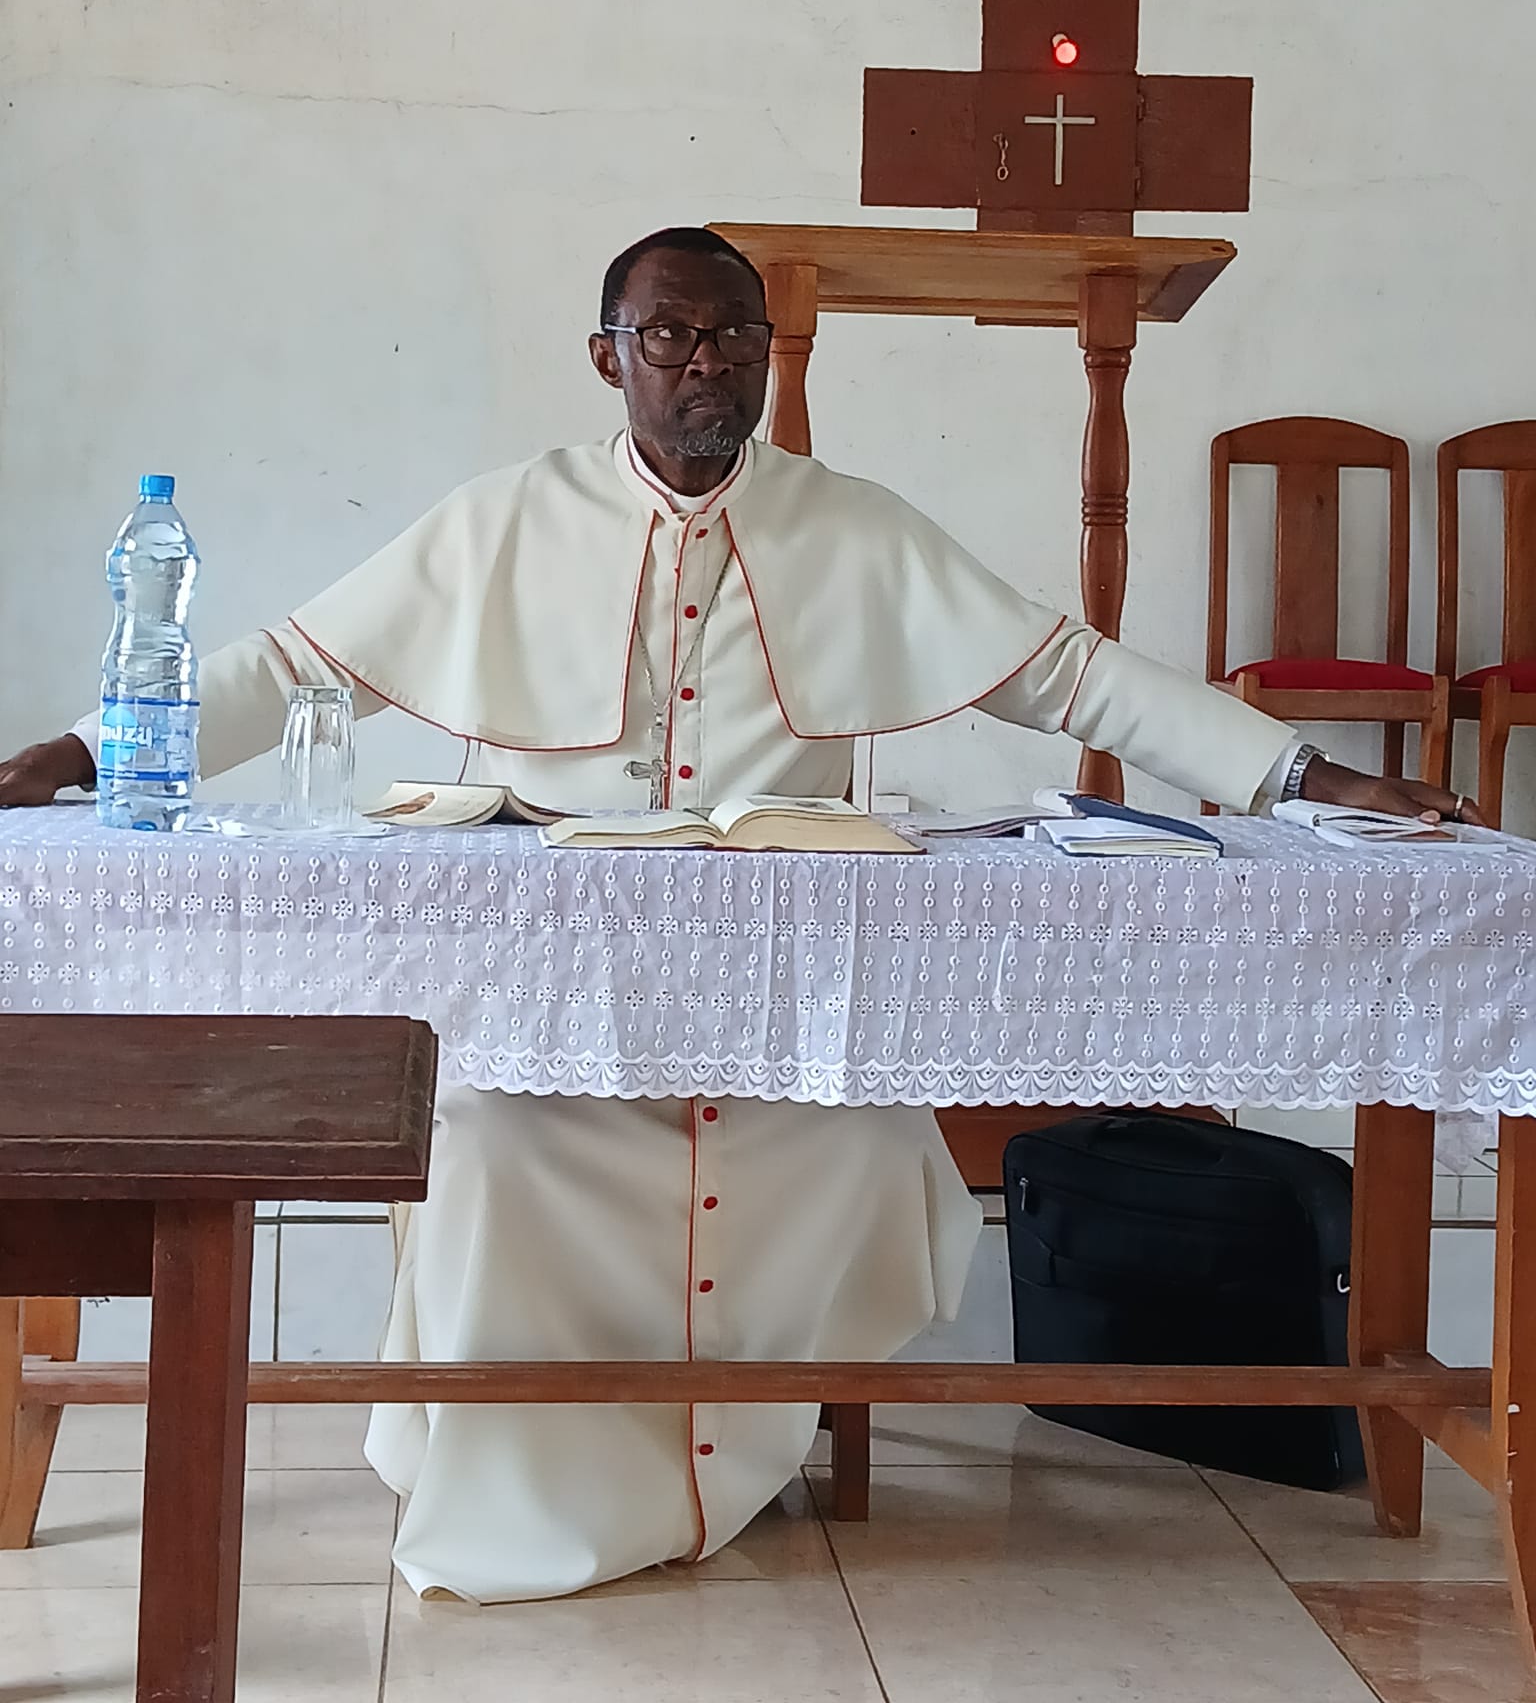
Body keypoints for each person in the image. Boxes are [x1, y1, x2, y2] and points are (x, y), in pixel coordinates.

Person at [0, 226, 1473, 1602]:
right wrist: (70, 755)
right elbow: (285, 661)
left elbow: (1073, 677)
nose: (705, 365)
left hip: (785, 1032)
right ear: (608, 356)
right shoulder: (502, 522)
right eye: (669, 337)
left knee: (850, 1146)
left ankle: (738, 1469)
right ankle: (526, 1493)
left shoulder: (854, 528)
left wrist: (1304, 769)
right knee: (498, 1161)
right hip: (553, 1025)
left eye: (734, 340)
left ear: (768, 355)